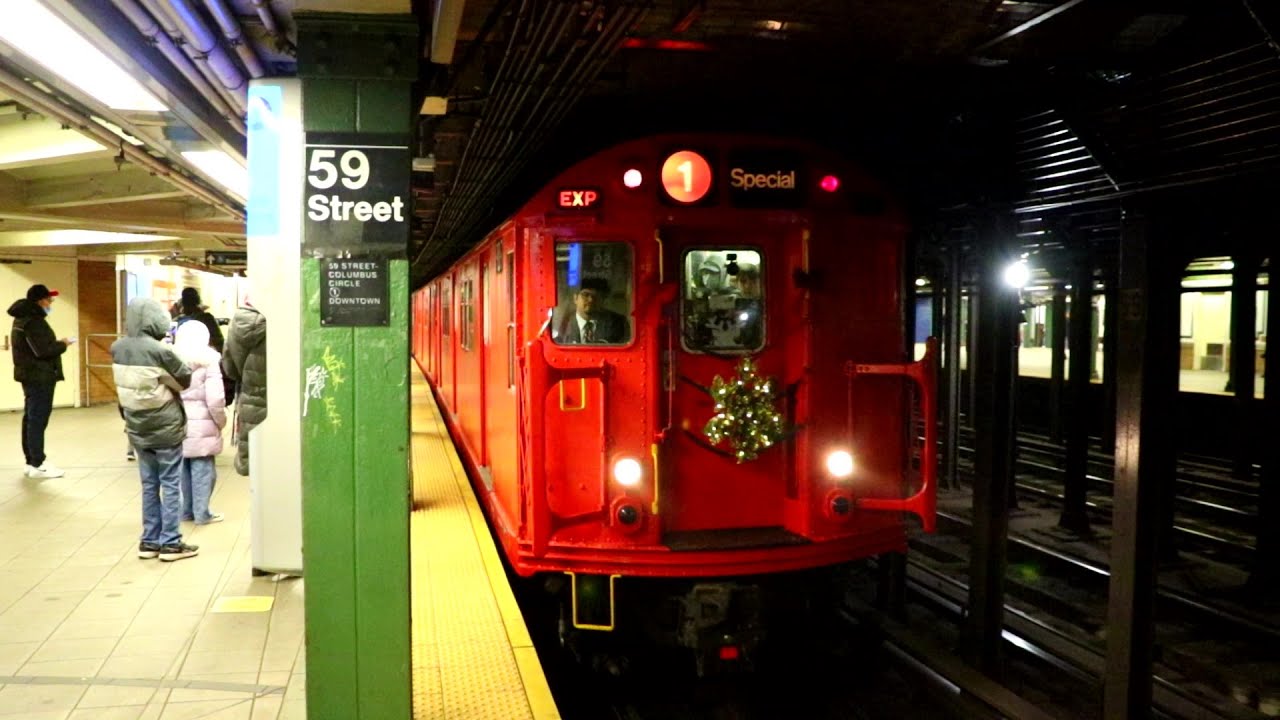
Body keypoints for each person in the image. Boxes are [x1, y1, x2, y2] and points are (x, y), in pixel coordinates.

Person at [111, 297, 198, 562]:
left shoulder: (117, 348)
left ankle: (149, 541)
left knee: (149, 484)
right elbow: (184, 380)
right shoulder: (160, 351)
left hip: (137, 424)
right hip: (165, 425)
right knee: (170, 482)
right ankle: (171, 542)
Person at [9, 284, 74, 479]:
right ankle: (38, 463)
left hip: (29, 375)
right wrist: (63, 344)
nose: (51, 303)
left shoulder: (21, 319)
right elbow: (43, 351)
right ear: (39, 301)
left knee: (30, 418)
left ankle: (31, 461)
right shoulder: (33, 322)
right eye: (49, 300)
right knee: (38, 419)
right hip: (39, 377)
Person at [174, 320, 226, 525]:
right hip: (203, 421)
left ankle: (186, 511)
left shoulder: (172, 359)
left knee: (183, 467)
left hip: (178, 420)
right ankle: (202, 513)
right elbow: (215, 398)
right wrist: (220, 421)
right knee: (203, 470)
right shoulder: (209, 360)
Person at [222, 297, 266, 477]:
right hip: (283, 402)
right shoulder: (283, 320)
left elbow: (229, 368)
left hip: (251, 401)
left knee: (257, 468)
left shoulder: (236, 324)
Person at [554, 277, 629, 344]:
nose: (591, 300)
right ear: (575, 298)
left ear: (603, 300)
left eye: (597, 296)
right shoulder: (562, 323)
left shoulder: (618, 323)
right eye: (586, 295)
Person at [174, 287, 224, 353]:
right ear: (198, 302)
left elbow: (171, 344)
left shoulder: (176, 322)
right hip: (205, 359)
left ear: (183, 303)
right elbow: (219, 341)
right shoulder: (207, 319)